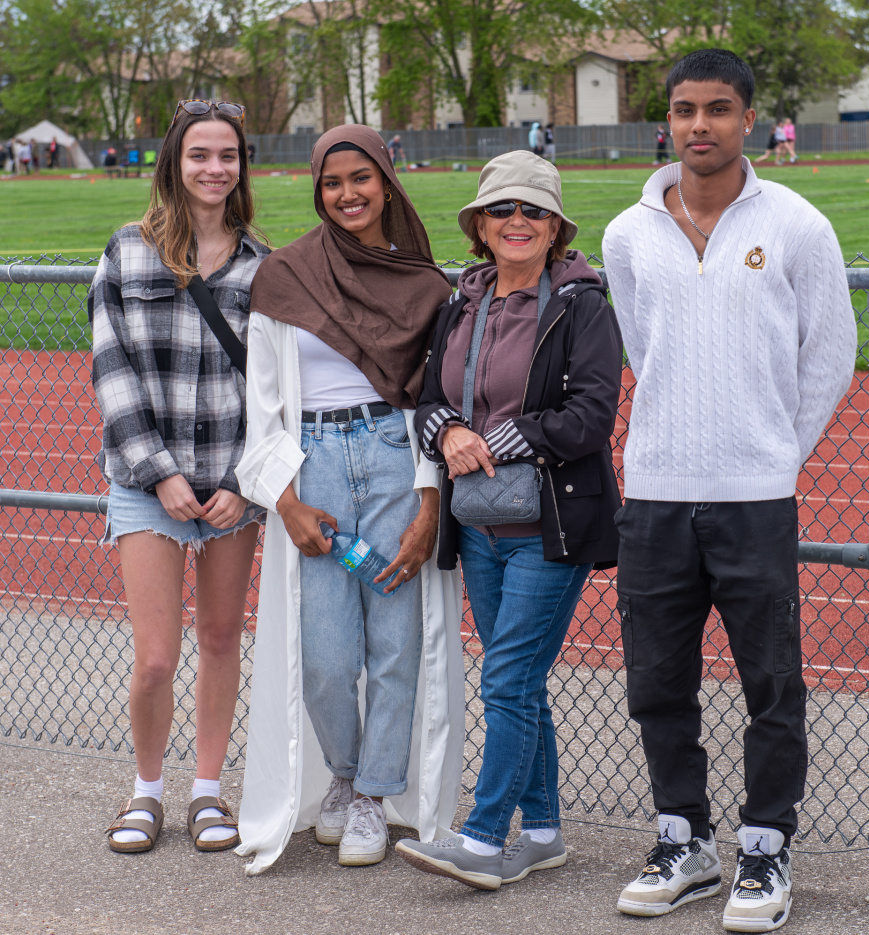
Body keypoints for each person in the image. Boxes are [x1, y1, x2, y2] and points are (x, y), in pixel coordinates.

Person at [603, 48, 856, 932]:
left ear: (750, 118)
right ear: (665, 122)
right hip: (659, 491)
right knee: (657, 682)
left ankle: (765, 847)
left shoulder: (796, 224)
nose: (699, 125)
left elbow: (829, 353)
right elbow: (645, 350)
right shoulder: (627, 233)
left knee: (771, 684)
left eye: (717, 109)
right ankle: (685, 840)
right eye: (683, 110)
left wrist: (778, 456)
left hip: (756, 496)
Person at [233, 124, 465, 874]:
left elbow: (439, 404)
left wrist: (431, 504)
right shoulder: (284, 275)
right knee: (328, 653)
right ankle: (339, 771)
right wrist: (287, 500)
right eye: (332, 183)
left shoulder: (429, 286)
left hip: (398, 460)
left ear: (387, 182)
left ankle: (373, 792)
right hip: (316, 462)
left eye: (361, 179)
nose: (347, 194)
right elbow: (261, 406)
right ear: (316, 189)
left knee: (396, 644)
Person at [396, 150, 623, 891]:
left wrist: (493, 438)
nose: (517, 221)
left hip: (550, 528)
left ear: (555, 225)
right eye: (502, 210)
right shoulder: (460, 304)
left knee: (507, 681)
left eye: (533, 210)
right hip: (480, 527)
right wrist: (449, 433)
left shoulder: (584, 304)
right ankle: (547, 833)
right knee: (519, 684)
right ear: (480, 225)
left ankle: (485, 839)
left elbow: (590, 416)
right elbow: (428, 399)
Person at [90, 99, 270, 854]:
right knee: (157, 653)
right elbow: (111, 369)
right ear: (175, 162)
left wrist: (240, 479)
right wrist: (159, 473)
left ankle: (206, 790)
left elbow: (272, 388)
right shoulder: (128, 251)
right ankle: (146, 790)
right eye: (200, 155)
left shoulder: (265, 265)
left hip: (231, 485)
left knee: (223, 637)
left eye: (226, 155)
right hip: (146, 483)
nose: (213, 168)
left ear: (241, 166)